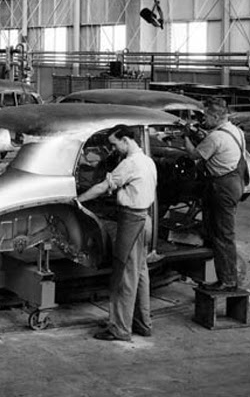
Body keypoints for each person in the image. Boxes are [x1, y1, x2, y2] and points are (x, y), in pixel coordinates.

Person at [77, 124, 157, 341]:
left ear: (126, 140)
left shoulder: (129, 164)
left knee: (123, 277)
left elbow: (103, 187)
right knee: (140, 273)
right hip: (145, 219)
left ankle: (120, 329)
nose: (113, 149)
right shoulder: (148, 161)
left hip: (131, 220)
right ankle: (143, 323)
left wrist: (77, 200)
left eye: (114, 144)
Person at [183, 97, 246, 291]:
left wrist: (185, 136)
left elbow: (194, 156)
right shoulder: (235, 131)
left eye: (206, 117)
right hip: (234, 183)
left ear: (217, 116)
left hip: (222, 187)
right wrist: (203, 135)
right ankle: (215, 274)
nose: (203, 120)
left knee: (223, 234)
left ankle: (228, 280)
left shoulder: (216, 138)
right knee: (214, 230)